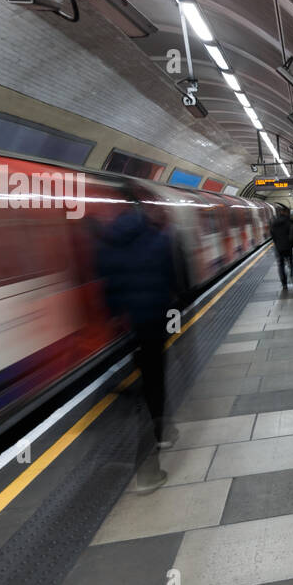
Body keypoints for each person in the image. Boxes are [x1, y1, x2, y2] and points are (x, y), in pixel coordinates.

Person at [96, 182, 179, 492]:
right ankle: (149, 465)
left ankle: (162, 432)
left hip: (124, 326)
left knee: (140, 383)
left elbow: (105, 283)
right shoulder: (157, 239)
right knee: (153, 386)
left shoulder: (107, 243)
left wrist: (115, 317)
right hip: (154, 321)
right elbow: (172, 282)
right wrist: (173, 319)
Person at [270, 204, 293, 289]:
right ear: (285, 212)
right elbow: (292, 234)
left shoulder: (274, 222)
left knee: (280, 265)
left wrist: (276, 243)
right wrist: (292, 243)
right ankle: (291, 272)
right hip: (288, 246)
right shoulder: (289, 221)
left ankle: (284, 283)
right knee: (290, 260)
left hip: (278, 247)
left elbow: (272, 235)